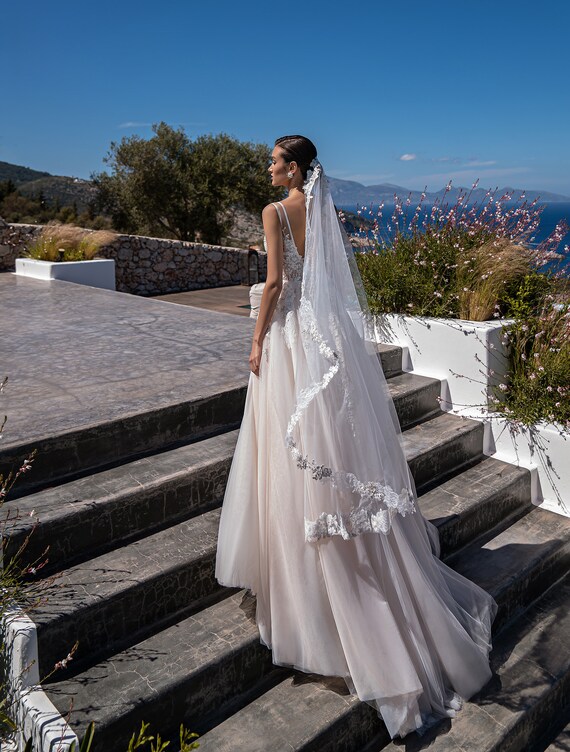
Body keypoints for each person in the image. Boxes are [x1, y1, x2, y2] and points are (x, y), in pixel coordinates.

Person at [215, 135, 496, 739]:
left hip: (292, 341)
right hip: (328, 341)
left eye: (274, 161)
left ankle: (312, 601)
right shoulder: (321, 210)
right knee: (332, 454)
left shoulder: (275, 212)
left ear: (294, 169)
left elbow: (272, 285)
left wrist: (258, 340)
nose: (268, 168)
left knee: (292, 459)